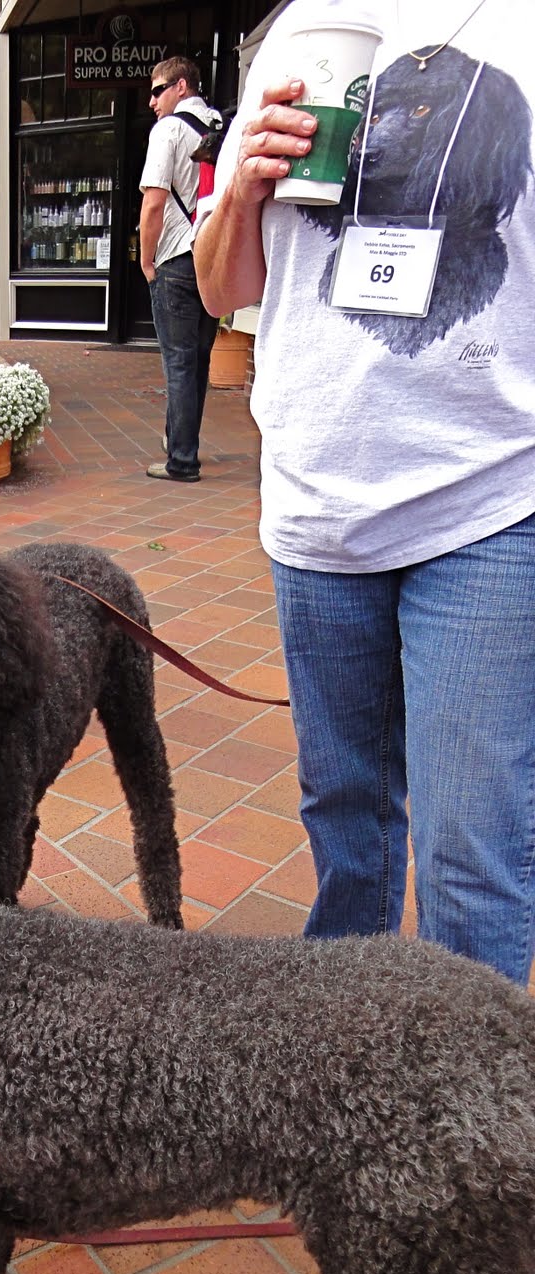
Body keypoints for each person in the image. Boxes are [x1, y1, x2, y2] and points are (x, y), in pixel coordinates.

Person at [194, 0, 535, 984]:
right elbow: (222, 290)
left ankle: (470, 1082)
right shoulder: (301, 28)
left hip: (487, 500)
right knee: (345, 826)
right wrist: (241, 191)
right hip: (315, 503)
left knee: (471, 852)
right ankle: (343, 1055)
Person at [139, 55, 224, 484]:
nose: (152, 101)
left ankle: (182, 461)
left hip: (175, 257)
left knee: (178, 363)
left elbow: (154, 202)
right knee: (198, 361)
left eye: (158, 90)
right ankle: (180, 440)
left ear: (181, 87)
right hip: (213, 258)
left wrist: (145, 260)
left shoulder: (168, 130)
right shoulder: (221, 127)